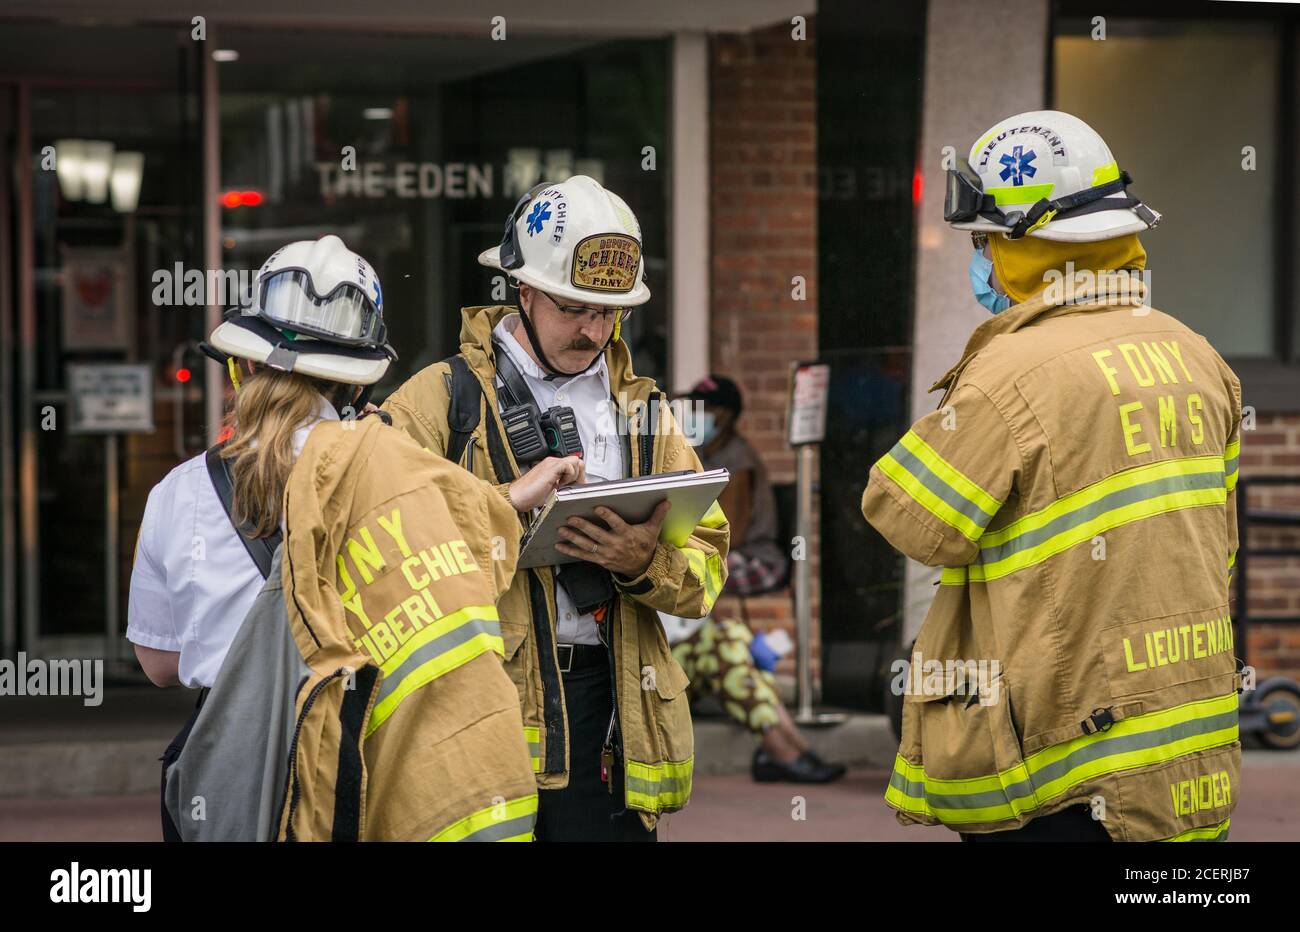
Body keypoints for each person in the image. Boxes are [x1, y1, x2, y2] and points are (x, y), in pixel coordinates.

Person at [862, 111, 1241, 842]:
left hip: (1066, 774)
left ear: (1023, 246)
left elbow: (907, 516)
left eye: (985, 242)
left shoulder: (1011, 373)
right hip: (1190, 761)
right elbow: (1217, 544)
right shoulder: (1198, 356)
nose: (980, 260)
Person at [128, 235, 538, 841]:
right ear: (356, 387)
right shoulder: (393, 474)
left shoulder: (176, 491)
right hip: (353, 752)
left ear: (243, 365)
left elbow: (160, 664)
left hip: (225, 766)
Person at [383, 175, 729, 841]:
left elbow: (707, 570)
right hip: (479, 707)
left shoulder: (646, 414)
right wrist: (503, 507)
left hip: (607, 711)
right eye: (574, 308)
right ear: (524, 288)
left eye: (610, 314)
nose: (593, 331)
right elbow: (380, 543)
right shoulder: (438, 401)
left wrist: (644, 562)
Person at [658, 374, 844, 783]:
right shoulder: (698, 453)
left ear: (725, 414)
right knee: (729, 647)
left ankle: (786, 747)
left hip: (749, 559)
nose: (697, 416)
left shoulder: (734, 458)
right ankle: (783, 749)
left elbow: (728, 537)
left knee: (733, 640)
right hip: (660, 661)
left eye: (705, 408)